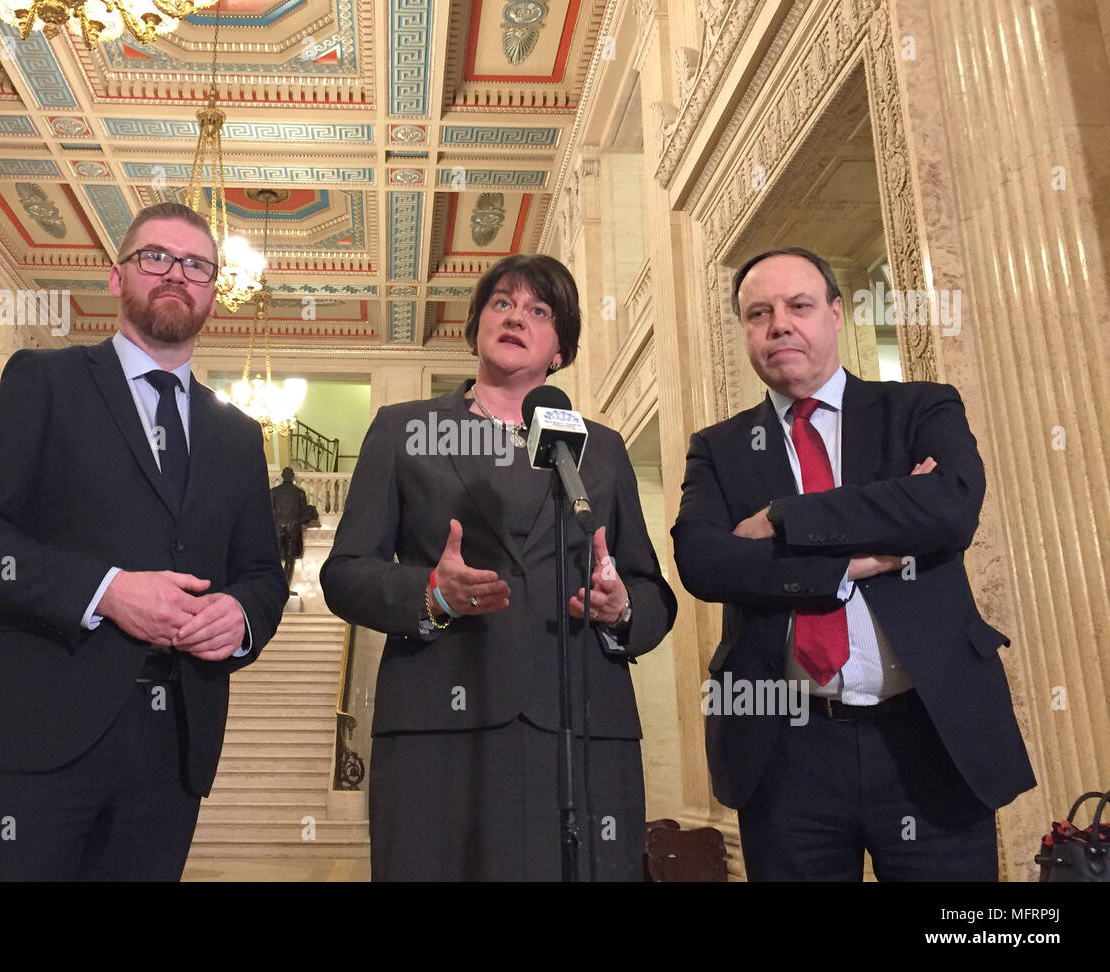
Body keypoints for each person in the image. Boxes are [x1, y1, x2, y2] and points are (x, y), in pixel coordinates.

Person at [0, 202, 289, 881]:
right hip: (39, 736)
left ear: (214, 292)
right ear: (117, 277)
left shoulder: (237, 436)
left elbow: (263, 574)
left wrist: (240, 617)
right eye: (157, 257)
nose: (177, 274)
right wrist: (106, 591)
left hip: (173, 748)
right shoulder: (46, 381)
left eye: (197, 265)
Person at [671, 246, 1035, 881]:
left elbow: (949, 509)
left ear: (836, 315)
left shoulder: (920, 408)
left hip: (929, 736)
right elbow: (703, 562)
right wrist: (851, 564)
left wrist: (783, 518)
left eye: (799, 306)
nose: (779, 323)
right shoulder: (719, 448)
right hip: (786, 752)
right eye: (759, 313)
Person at [320, 253, 677, 881]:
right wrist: (432, 594)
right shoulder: (405, 430)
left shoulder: (601, 449)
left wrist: (622, 609)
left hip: (579, 731)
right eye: (502, 303)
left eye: (538, 310)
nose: (516, 317)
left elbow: (651, 589)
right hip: (440, 728)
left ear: (559, 350)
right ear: (478, 325)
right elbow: (346, 572)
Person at [271, 466, 316, 589]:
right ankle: (284, 585)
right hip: (292, 528)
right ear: (292, 476)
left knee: (277, 557)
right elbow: (303, 512)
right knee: (289, 558)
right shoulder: (299, 492)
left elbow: (269, 511)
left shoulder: (273, 491)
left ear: (282, 476)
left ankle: (277, 585)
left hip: (278, 529)